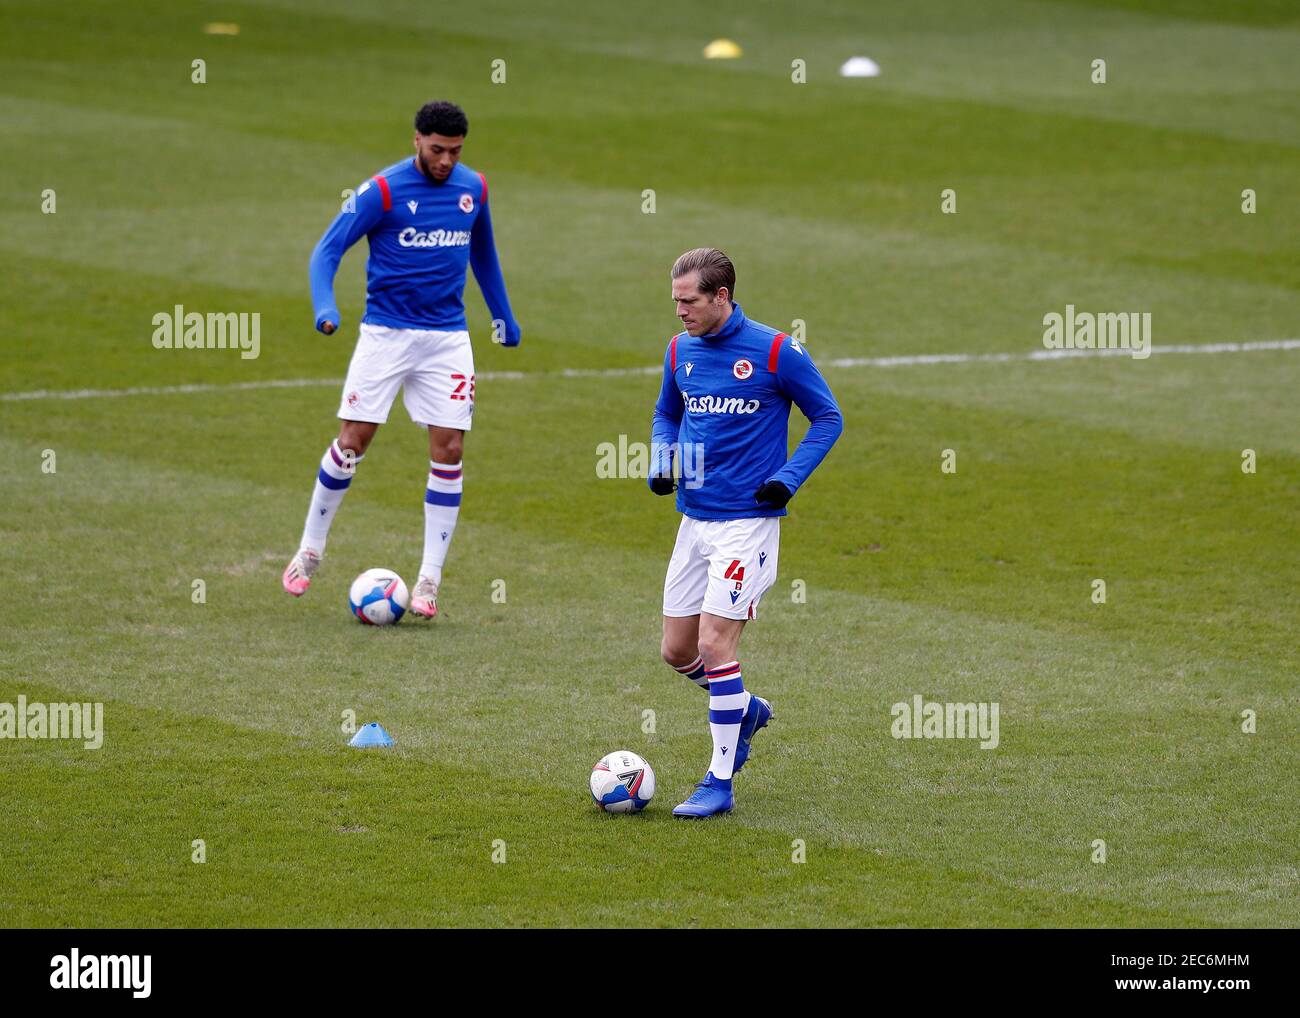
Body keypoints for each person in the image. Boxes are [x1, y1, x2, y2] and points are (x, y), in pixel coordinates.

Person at [283, 100, 520, 619]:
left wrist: (502, 314)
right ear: (416, 139)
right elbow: (326, 250)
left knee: (450, 448)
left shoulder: (473, 188)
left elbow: (484, 253)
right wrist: (326, 306)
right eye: (437, 150)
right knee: (353, 441)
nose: (445, 161)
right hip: (385, 335)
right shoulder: (381, 191)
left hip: (446, 340)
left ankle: (429, 580)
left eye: (455, 152)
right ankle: (310, 549)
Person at [650, 248, 843, 817]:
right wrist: (664, 457)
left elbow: (828, 416)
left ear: (722, 297)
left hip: (747, 524)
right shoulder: (679, 350)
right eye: (676, 301)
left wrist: (787, 479)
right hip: (696, 519)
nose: (680, 311)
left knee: (714, 645)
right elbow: (667, 412)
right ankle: (746, 710)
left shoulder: (777, 350)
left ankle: (719, 781)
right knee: (676, 650)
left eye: (689, 301)